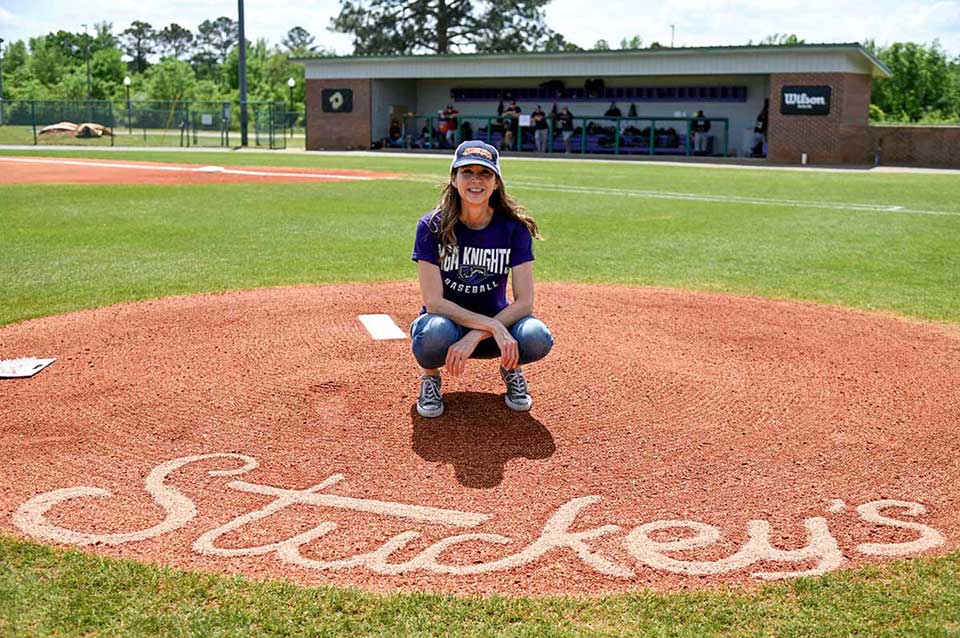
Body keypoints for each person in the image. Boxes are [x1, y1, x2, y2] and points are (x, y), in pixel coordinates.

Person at [410, 140, 553, 418]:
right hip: (448, 328)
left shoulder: (514, 228)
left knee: (537, 337)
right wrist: (491, 326)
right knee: (432, 333)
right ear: (454, 178)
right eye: (467, 172)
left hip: (495, 331)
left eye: (485, 173)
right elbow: (434, 302)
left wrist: (482, 332)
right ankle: (430, 377)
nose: (476, 180)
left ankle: (511, 369)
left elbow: (525, 303)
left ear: (496, 182)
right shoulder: (431, 226)